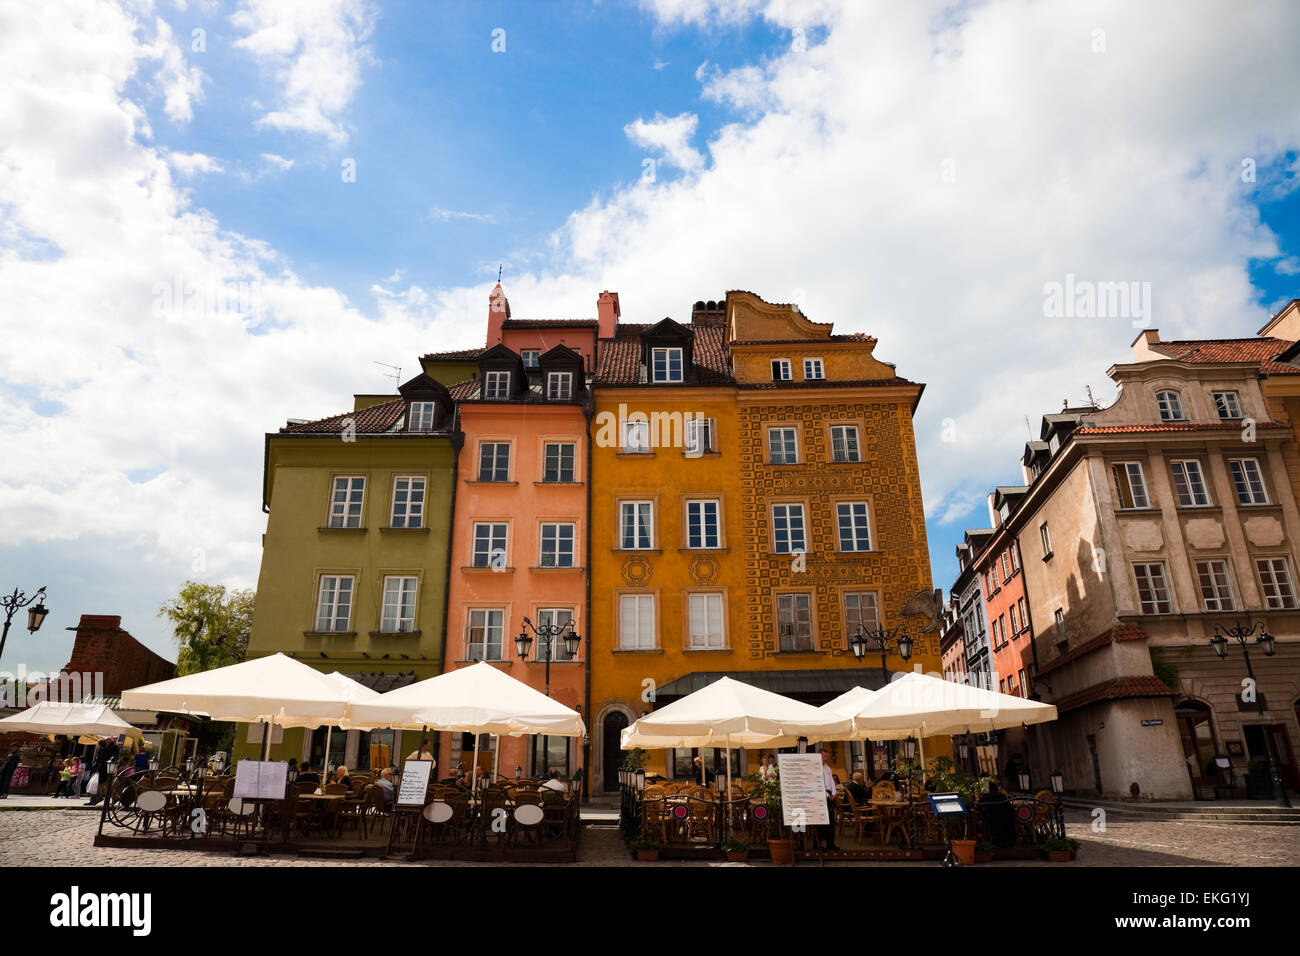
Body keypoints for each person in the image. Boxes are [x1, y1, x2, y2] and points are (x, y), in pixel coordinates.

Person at [816, 750, 838, 851]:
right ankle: (817, 845)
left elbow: (832, 782)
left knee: (831, 822)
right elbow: (817, 783)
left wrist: (833, 793)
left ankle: (830, 844)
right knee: (820, 823)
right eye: (824, 756)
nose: (825, 758)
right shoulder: (815, 768)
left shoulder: (828, 768)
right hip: (821, 796)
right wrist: (826, 795)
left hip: (829, 796)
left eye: (826, 756)